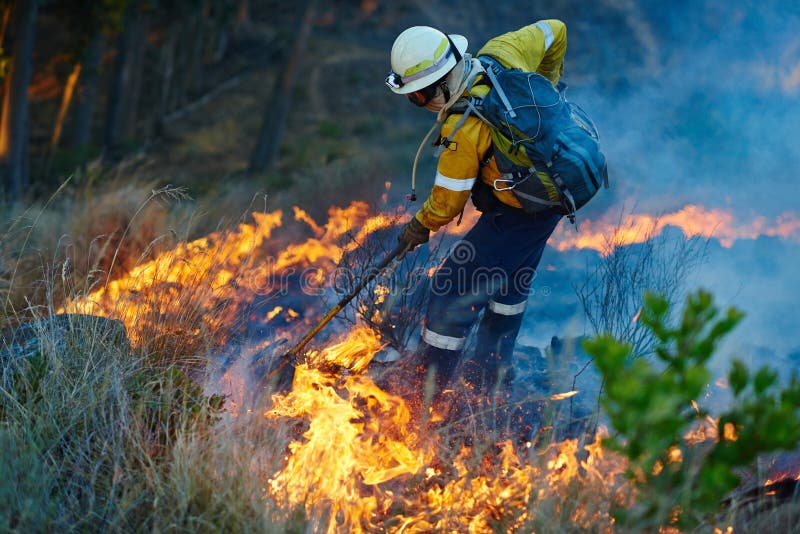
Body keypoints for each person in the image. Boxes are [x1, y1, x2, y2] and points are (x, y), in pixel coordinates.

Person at [386, 20, 569, 398]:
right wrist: (547, 88)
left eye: (418, 96)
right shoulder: (503, 52)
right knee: (511, 283)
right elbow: (556, 30)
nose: (418, 104)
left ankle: (426, 389)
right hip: (552, 195)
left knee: (450, 287)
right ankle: (490, 375)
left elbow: (446, 204)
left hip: (520, 213)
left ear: (441, 84)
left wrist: (416, 229)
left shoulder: (463, 131)